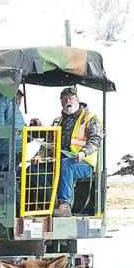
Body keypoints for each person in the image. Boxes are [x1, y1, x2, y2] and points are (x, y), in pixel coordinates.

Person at [49, 86, 103, 216]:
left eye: (71, 98)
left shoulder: (90, 118)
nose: (68, 101)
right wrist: (39, 156)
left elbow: (95, 139)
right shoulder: (57, 121)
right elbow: (48, 142)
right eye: (64, 99)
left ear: (77, 100)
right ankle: (49, 202)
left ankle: (65, 204)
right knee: (35, 170)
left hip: (84, 163)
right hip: (60, 161)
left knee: (65, 164)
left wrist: (84, 152)